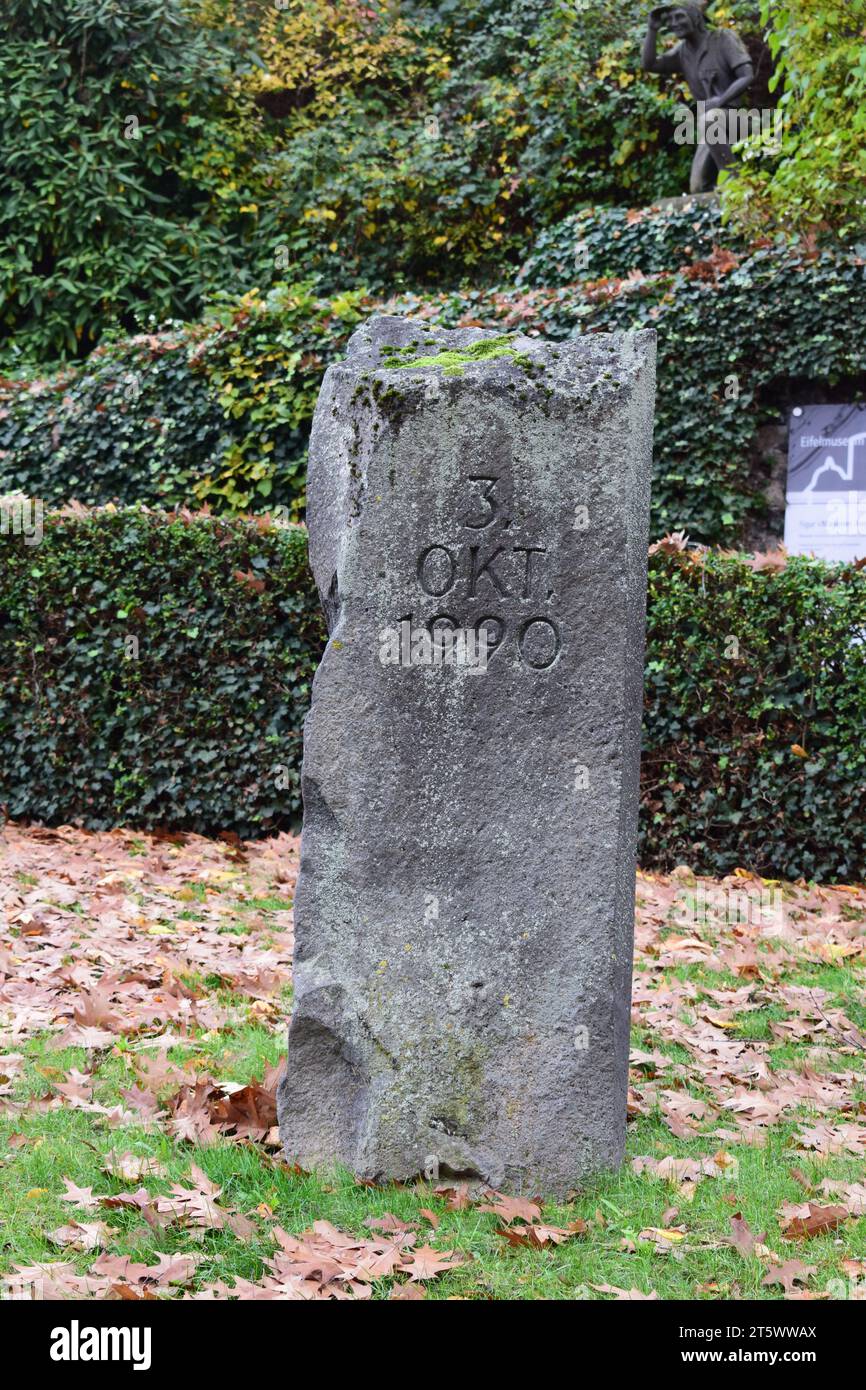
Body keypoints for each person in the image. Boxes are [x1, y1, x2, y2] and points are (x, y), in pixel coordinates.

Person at [642, 4, 754, 192]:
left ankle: (736, 184)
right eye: (670, 20)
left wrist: (720, 101)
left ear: (696, 18)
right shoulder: (682, 52)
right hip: (711, 125)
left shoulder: (722, 39)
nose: (673, 23)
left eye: (679, 17)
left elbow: (746, 76)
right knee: (698, 186)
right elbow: (650, 64)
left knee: (710, 119)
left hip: (740, 119)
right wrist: (652, 29)